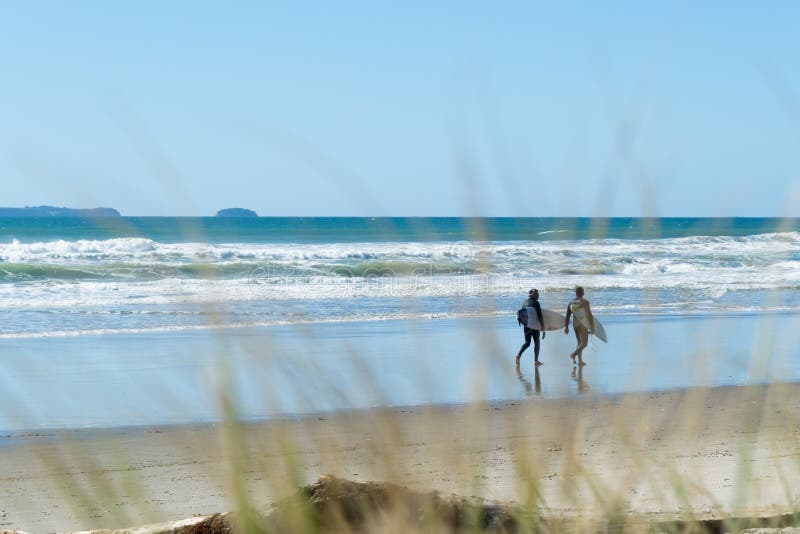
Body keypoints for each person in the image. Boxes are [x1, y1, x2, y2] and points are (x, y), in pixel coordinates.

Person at [564, 286, 593, 365]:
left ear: (576, 293)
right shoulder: (585, 302)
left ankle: (580, 361)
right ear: (583, 293)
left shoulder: (571, 302)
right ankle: (573, 354)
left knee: (579, 342)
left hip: (575, 324)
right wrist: (591, 326)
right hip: (583, 324)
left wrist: (566, 327)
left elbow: (567, 316)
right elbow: (589, 315)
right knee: (584, 343)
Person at [516, 288, 546, 366]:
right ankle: (536, 361)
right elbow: (539, 315)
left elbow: (522, 315)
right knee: (537, 342)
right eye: (536, 293)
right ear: (532, 294)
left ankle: (518, 355)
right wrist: (543, 326)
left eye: (538, 293)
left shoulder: (524, 303)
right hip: (534, 326)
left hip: (527, 325)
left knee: (527, 342)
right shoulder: (536, 303)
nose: (538, 295)